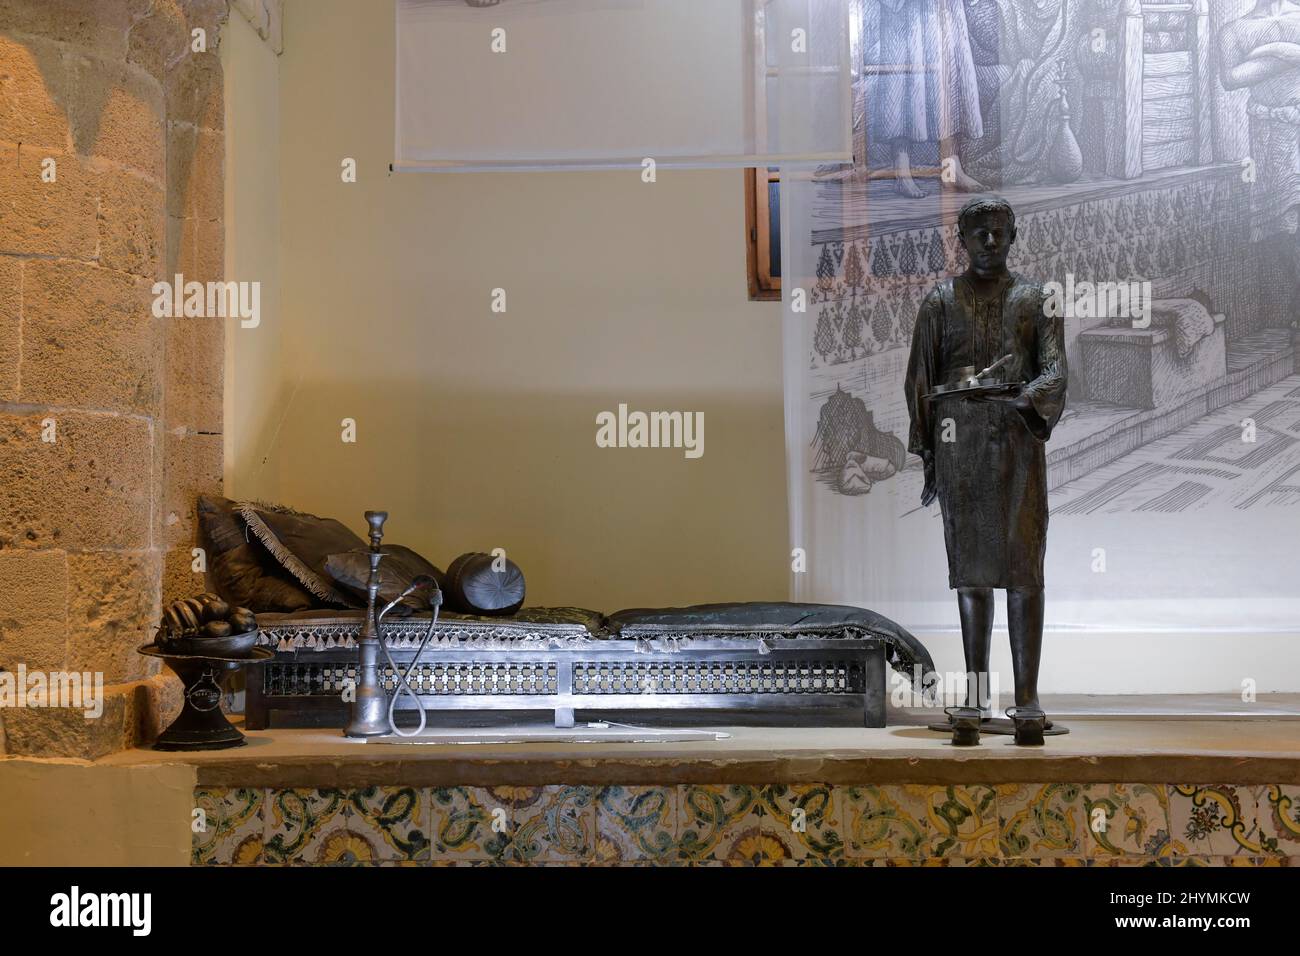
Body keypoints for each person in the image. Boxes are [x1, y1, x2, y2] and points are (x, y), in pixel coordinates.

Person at [903, 196, 1067, 745]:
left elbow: (1055, 372)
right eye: (980, 234)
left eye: (999, 233)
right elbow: (920, 384)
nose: (990, 243)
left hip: (1018, 444)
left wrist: (1025, 399)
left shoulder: (1036, 299)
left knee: (1024, 570)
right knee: (971, 574)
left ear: (1014, 235)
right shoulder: (938, 302)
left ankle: (1026, 699)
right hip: (960, 445)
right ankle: (974, 694)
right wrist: (930, 448)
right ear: (962, 239)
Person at [861, 0, 986, 196]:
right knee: (901, 92)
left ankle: (952, 169)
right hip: (903, 14)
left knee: (948, 85)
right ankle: (902, 173)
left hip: (942, 10)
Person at [1219, 0, 1300, 239]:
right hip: (1272, 139)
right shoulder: (1233, 29)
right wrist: (1291, 54)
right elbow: (1231, 78)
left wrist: (1266, 50)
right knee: (1283, 227)